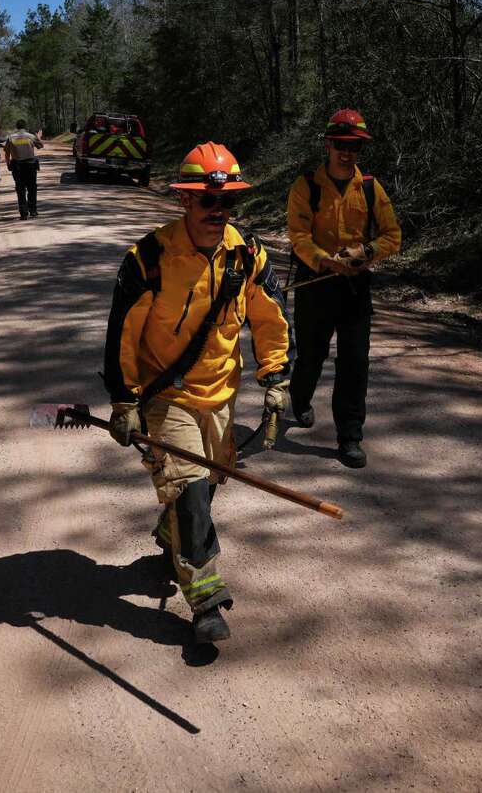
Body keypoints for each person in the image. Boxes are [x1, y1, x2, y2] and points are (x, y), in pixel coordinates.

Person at [103, 142, 294, 643]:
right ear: (185, 201)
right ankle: (206, 598)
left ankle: (173, 535)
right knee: (190, 490)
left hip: (221, 395)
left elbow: (271, 321)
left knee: (208, 482)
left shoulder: (247, 254)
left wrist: (275, 381)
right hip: (167, 396)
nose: (219, 211)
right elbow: (122, 333)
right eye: (208, 201)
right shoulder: (149, 259)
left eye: (228, 202)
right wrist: (124, 400)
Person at [285, 108, 401, 469]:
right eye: (340, 144)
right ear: (328, 144)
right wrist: (326, 260)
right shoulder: (306, 186)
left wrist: (366, 252)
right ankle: (300, 399)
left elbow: (392, 235)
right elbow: (298, 236)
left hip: (354, 289)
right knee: (311, 357)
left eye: (354, 145)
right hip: (314, 284)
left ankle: (350, 436)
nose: (346, 151)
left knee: (354, 363)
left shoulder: (370, 187)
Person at [3, 120, 43, 219]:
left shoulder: (10, 138)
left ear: (17, 127)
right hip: (30, 166)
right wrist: (39, 137)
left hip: (17, 167)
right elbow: (40, 146)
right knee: (32, 189)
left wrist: (8, 164)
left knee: (20, 190)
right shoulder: (31, 136)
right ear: (25, 126)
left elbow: (7, 153)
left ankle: (23, 213)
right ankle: (33, 211)